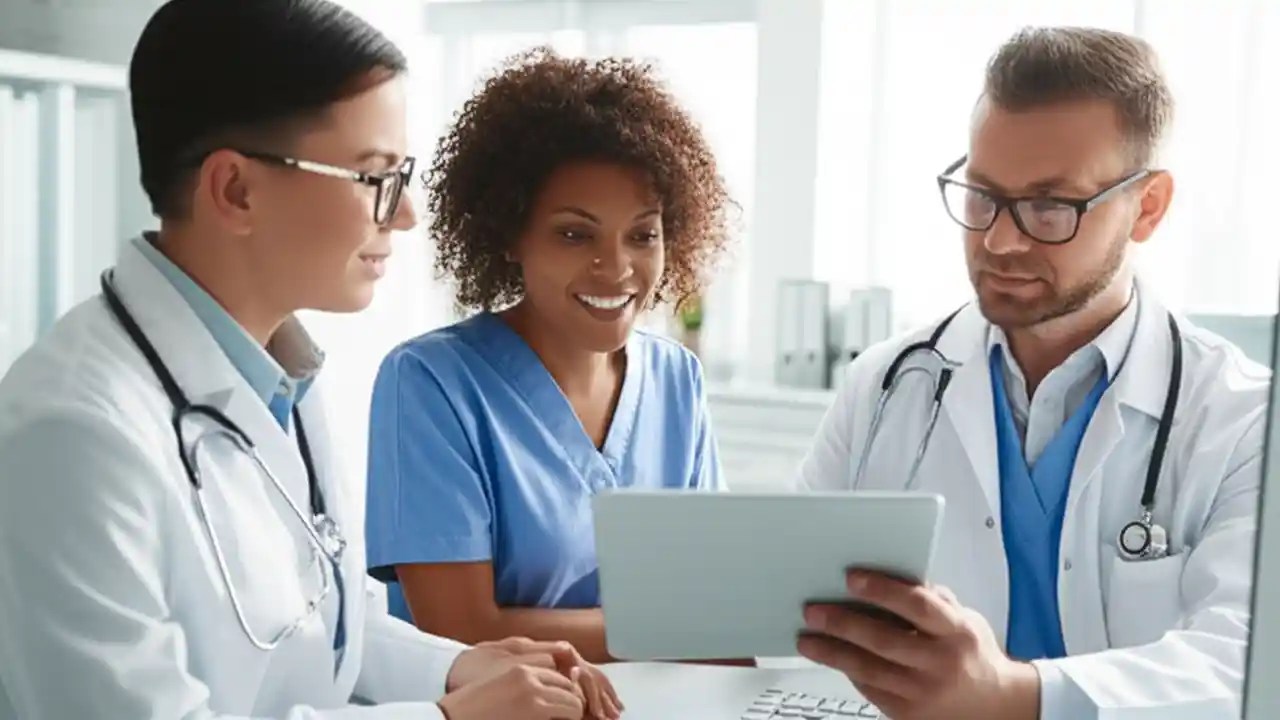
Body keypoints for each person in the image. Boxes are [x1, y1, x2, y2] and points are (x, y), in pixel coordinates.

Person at [0, 2, 618, 718]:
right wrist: (451, 718)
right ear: (236, 190)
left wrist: (460, 667)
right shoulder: (73, 436)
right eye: (375, 176)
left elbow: (320, 629)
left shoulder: (277, 376)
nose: (408, 214)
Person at [793, 26, 1269, 719]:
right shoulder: (887, 384)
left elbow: (1244, 663)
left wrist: (1016, 697)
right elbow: (791, 615)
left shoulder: (1243, 418)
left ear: (1149, 207)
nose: (1000, 240)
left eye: (1050, 207)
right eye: (982, 196)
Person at [364, 48, 733, 664]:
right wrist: (669, 633)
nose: (616, 268)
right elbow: (458, 629)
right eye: (574, 233)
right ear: (509, 233)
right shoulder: (431, 384)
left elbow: (712, 595)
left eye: (643, 234)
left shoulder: (677, 380)